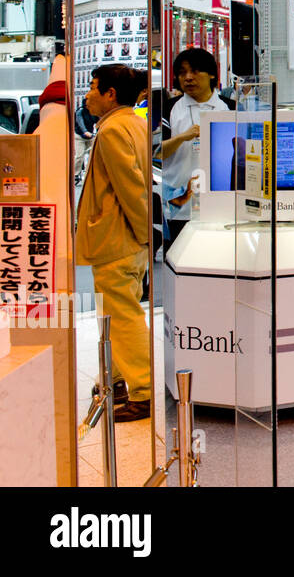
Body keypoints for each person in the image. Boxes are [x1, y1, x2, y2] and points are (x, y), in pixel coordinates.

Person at [76, 64, 152, 422]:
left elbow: (132, 189)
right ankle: (119, 379)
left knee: (123, 318)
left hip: (117, 241)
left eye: (93, 88)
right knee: (116, 314)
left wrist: (141, 234)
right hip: (125, 241)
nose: (87, 94)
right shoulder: (134, 122)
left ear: (110, 94)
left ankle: (144, 389)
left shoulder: (112, 130)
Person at [159, 48, 235, 246]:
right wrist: (182, 137)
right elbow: (157, 153)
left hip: (224, 205)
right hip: (178, 206)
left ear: (211, 74)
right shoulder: (168, 109)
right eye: (182, 73)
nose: (188, 78)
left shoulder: (232, 107)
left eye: (194, 71)